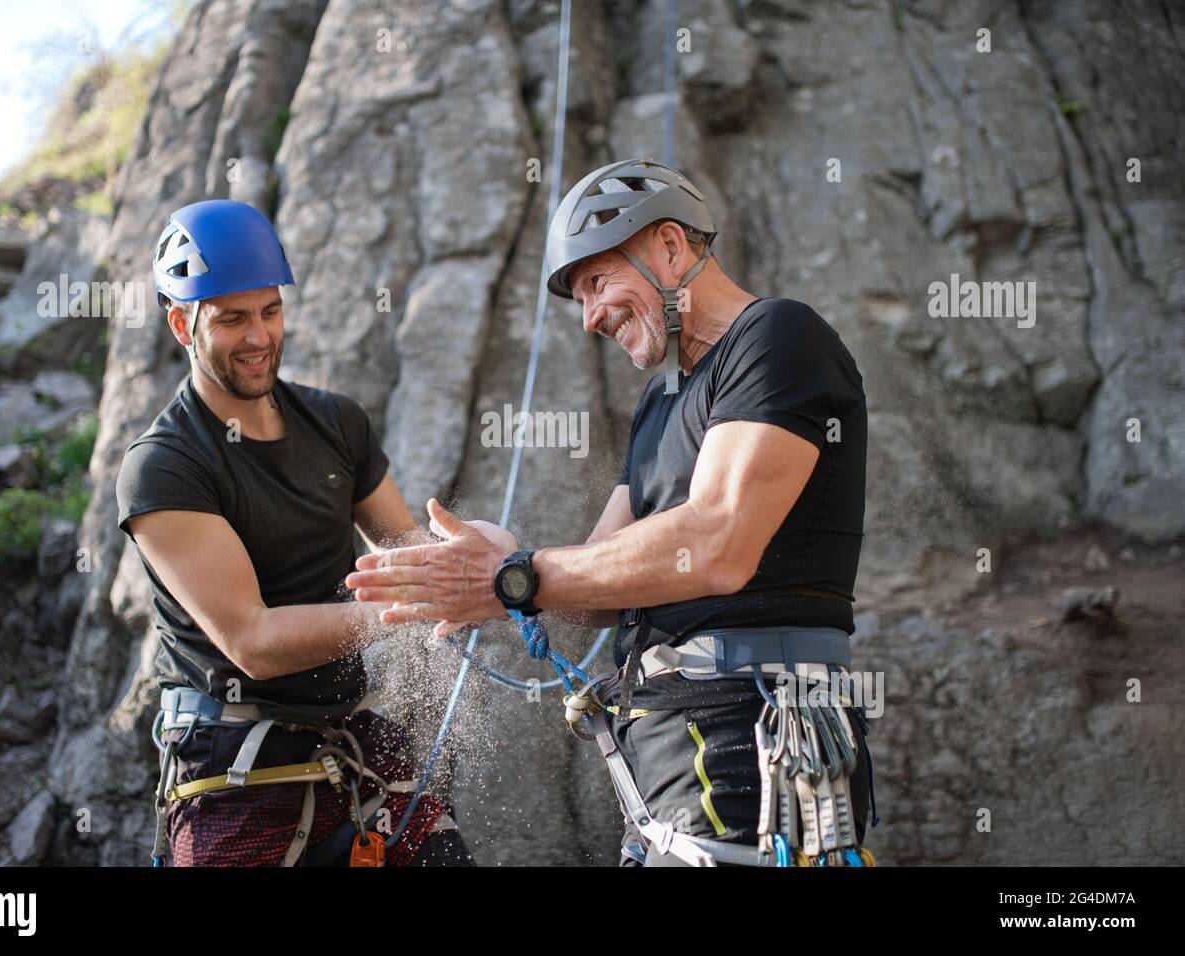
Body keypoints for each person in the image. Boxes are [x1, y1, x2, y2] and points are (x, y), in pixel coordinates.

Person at [345, 158, 876, 866]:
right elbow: (600, 586)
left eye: (597, 281)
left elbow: (718, 539)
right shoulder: (662, 401)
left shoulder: (778, 339)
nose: (591, 317)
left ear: (669, 246)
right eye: (582, 298)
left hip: (750, 743)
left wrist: (518, 576)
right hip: (661, 762)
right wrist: (501, 561)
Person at [116, 199, 472, 866]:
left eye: (270, 311)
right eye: (231, 319)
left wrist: (475, 566)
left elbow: (405, 552)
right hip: (235, 763)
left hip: (351, 741)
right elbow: (253, 642)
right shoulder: (164, 467)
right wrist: (405, 608)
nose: (259, 336)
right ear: (180, 324)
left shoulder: (335, 424)